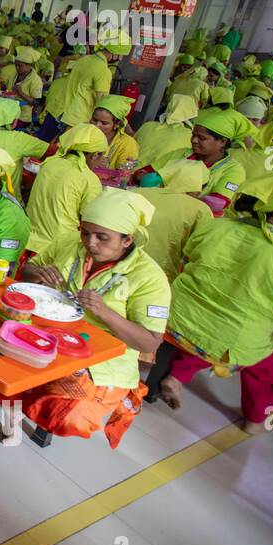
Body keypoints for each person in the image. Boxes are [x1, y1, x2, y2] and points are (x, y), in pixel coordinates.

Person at [158, 174, 273, 432]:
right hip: (225, 335)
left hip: (176, 317)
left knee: (213, 326)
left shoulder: (218, 226)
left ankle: (177, 377)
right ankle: (255, 420)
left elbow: (188, 256)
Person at [16, 189, 169, 446]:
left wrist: (105, 313)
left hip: (103, 359)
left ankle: (39, 420)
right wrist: (38, 274)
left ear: (127, 239)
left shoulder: (150, 278)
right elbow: (28, 270)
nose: (90, 243)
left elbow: (150, 342)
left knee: (65, 411)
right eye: (85, 232)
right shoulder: (69, 243)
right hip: (51, 329)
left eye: (102, 237)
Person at [25, 123, 107, 254]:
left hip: (27, 238)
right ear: (95, 155)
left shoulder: (50, 163)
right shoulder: (88, 179)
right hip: (56, 248)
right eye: (102, 156)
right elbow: (90, 218)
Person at [136, 159, 212, 281]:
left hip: (117, 262)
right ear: (197, 186)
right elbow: (200, 249)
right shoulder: (199, 209)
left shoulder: (137, 192)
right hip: (158, 274)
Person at [134, 94, 198, 168]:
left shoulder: (148, 125)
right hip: (153, 177)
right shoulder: (190, 136)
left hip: (127, 172)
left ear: (169, 107)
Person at [90, 95, 141, 170]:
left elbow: (125, 177)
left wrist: (102, 169)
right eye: (94, 120)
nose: (97, 125)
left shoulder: (128, 144)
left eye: (104, 123)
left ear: (117, 124)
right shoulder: (81, 132)